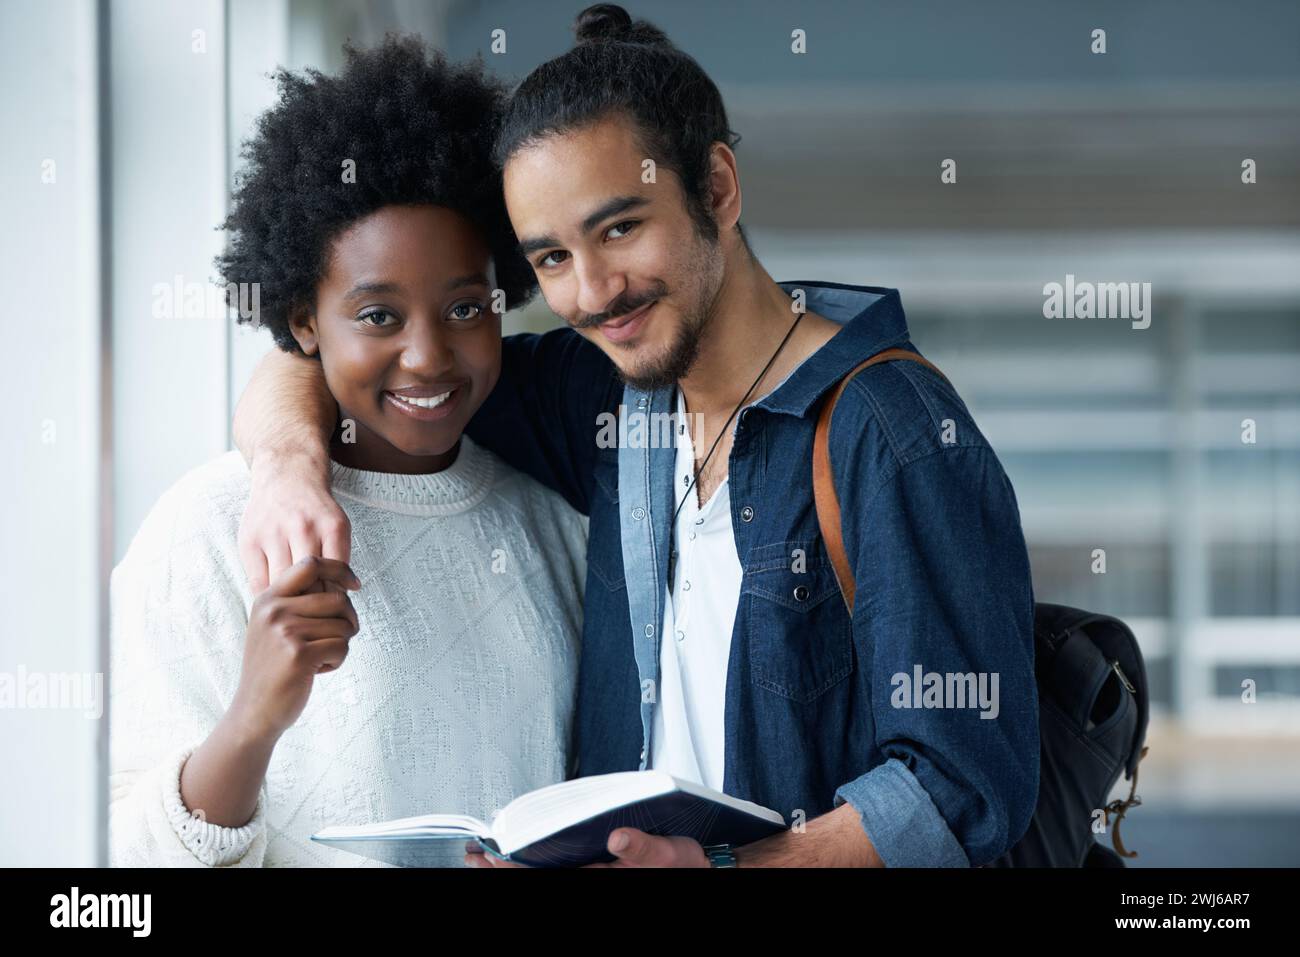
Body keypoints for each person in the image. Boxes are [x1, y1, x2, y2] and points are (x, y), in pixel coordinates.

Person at [234, 4, 1039, 868]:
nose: (593, 292)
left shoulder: (891, 431)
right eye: (551, 258)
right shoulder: (609, 393)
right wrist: (288, 471)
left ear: (718, 189)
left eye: (620, 228)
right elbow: (353, 363)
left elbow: (959, 787)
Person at [108, 36, 586, 867]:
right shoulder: (214, 528)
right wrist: (254, 717)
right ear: (302, 321)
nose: (429, 356)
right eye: (378, 317)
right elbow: (121, 861)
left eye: (467, 309)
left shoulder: (551, 522)